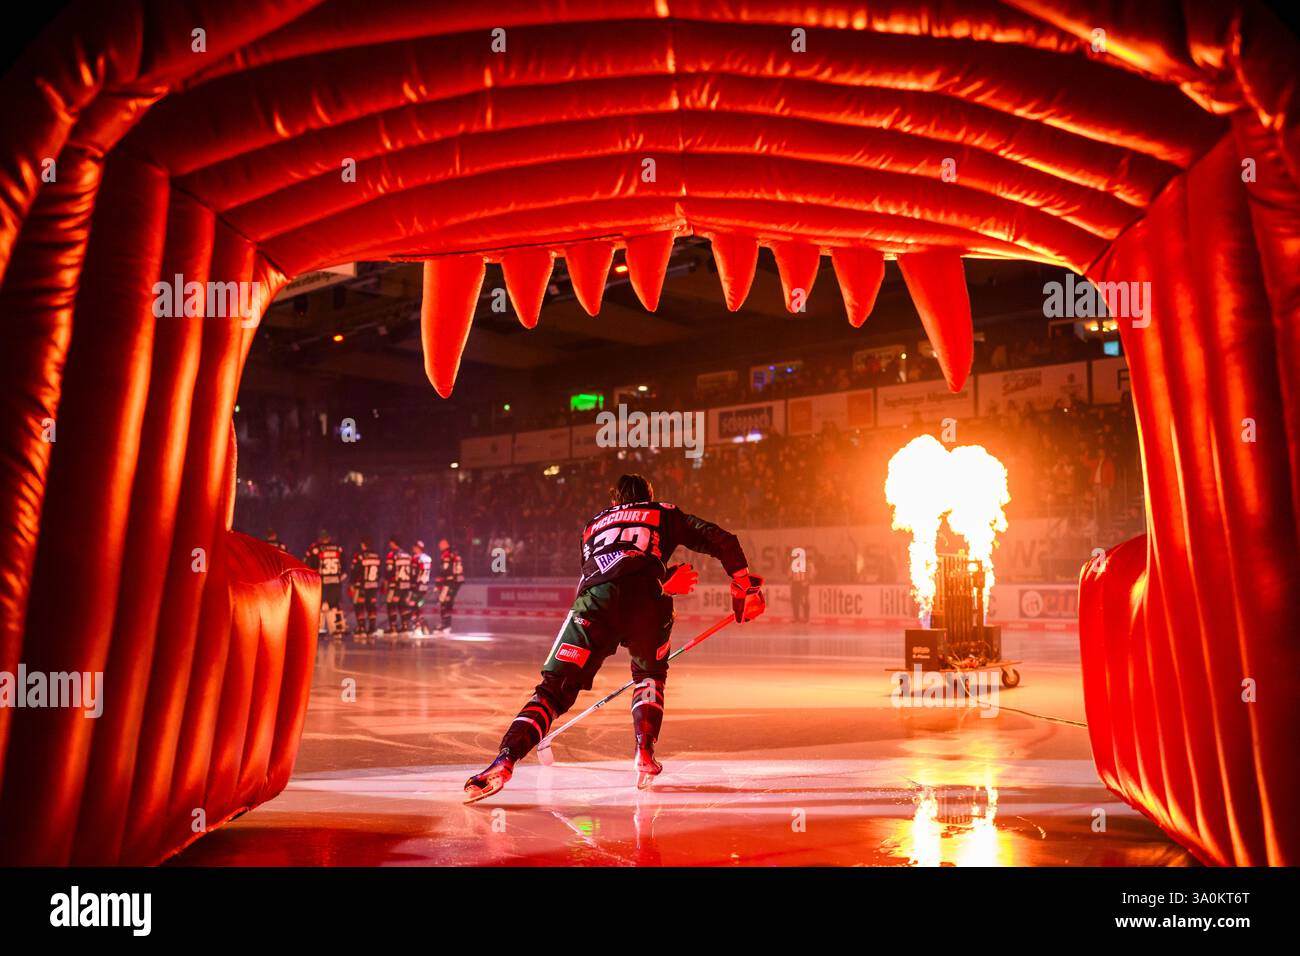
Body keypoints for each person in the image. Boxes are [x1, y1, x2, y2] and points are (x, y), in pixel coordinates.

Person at [464, 473, 765, 803]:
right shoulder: (662, 511)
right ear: (648, 496)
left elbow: (604, 573)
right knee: (649, 676)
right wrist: (742, 585)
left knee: (552, 693)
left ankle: (504, 759)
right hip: (648, 601)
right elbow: (723, 540)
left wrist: (655, 580)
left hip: (593, 605)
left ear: (613, 501)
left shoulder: (593, 524)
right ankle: (644, 752)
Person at [304, 529, 347, 638]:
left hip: (321, 581)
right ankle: (338, 629)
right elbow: (345, 567)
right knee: (335, 606)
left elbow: (308, 564)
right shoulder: (338, 548)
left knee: (319, 605)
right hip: (335, 581)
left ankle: (319, 629)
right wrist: (339, 578)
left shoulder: (315, 548)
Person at [349, 537, 382, 637]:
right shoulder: (377, 556)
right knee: (371, 607)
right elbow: (380, 572)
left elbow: (355, 571)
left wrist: (352, 583)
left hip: (361, 586)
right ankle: (372, 628)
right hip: (373, 586)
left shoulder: (359, 556)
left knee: (359, 606)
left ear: (363, 544)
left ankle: (361, 628)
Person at [433, 537, 465, 636]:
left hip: (450, 581)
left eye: (440, 544)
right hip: (457, 580)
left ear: (445, 544)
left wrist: (439, 581)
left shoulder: (446, 554)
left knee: (444, 602)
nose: (439, 547)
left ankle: (446, 625)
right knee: (447, 602)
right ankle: (446, 625)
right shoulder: (455, 552)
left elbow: (445, 570)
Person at [381, 536, 413, 635]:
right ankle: (405, 626)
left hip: (395, 585)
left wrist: (386, 583)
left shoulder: (392, 554)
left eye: (390, 543)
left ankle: (393, 627)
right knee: (403, 605)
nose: (389, 544)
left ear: (393, 543)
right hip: (405, 584)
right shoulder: (407, 555)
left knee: (391, 604)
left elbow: (389, 571)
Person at [410, 540, 434, 635]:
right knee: (419, 605)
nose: (413, 549)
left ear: (417, 548)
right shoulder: (428, 558)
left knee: (412, 605)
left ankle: (418, 626)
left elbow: (414, 573)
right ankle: (421, 626)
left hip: (417, 585)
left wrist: (412, 584)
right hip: (425, 586)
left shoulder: (416, 558)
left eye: (414, 547)